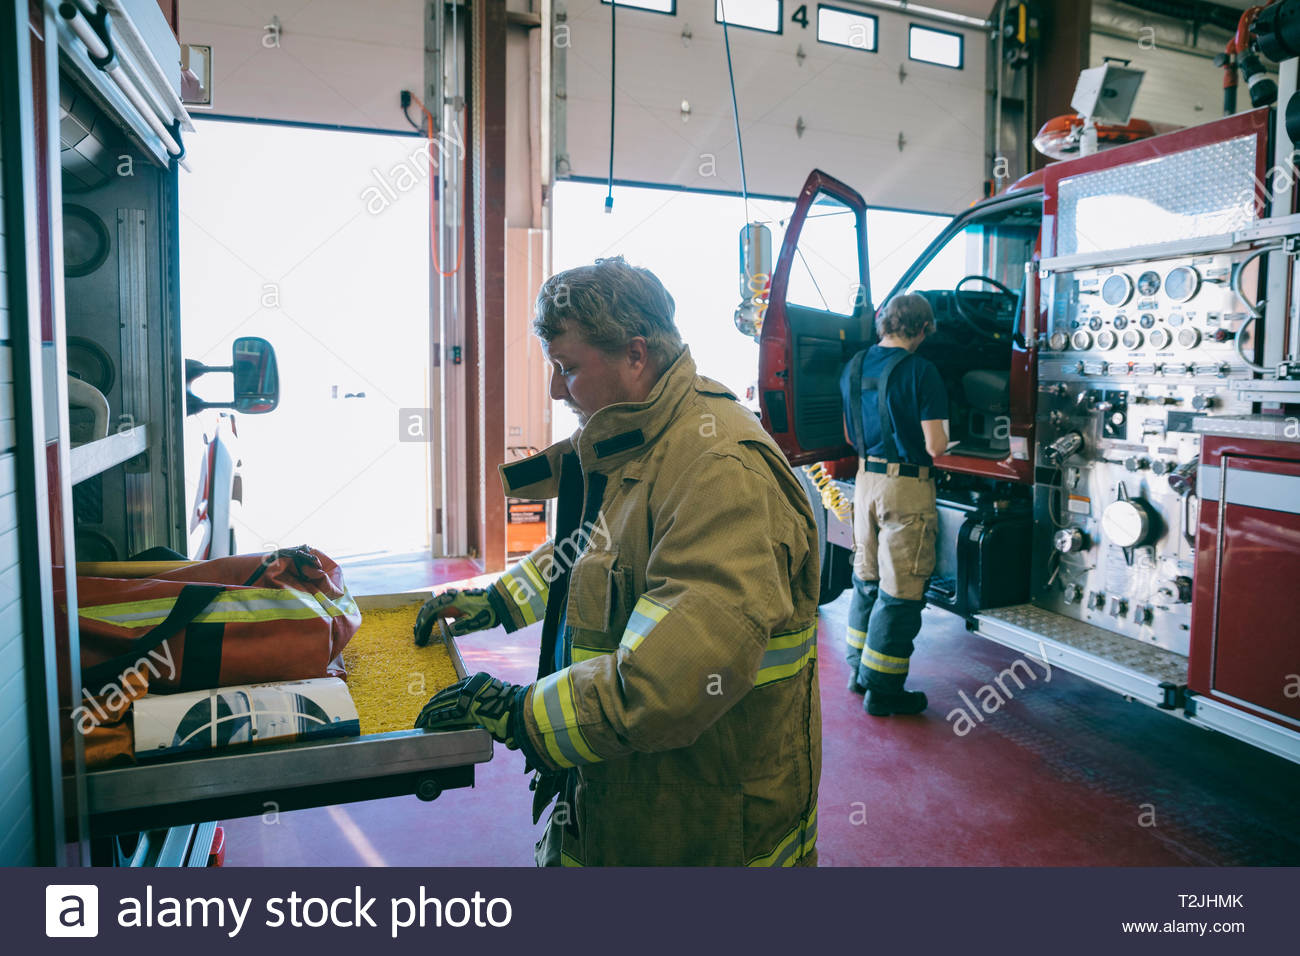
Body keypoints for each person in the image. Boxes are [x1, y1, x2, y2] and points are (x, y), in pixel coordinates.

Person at [411, 255, 822, 867]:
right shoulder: (650, 435)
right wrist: (499, 600)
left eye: (568, 368)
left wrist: (518, 713)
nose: (555, 389)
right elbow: (604, 546)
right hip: (623, 796)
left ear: (635, 355)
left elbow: (663, 686)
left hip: (701, 829)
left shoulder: (720, 472)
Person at [839, 293, 948, 716]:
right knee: (901, 591)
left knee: (866, 579)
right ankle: (883, 691)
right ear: (922, 330)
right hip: (905, 488)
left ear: (885, 324)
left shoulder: (854, 365)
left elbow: (850, 434)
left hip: (865, 482)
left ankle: (858, 671)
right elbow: (935, 445)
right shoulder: (922, 371)